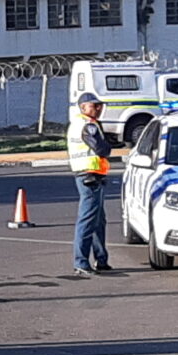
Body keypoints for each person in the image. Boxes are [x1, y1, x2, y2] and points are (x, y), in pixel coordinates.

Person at [70, 91, 114, 276]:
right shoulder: (87, 125)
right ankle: (81, 262)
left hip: (91, 174)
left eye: (100, 105)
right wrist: (108, 146)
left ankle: (101, 259)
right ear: (83, 107)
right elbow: (101, 149)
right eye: (94, 106)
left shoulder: (83, 123)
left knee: (98, 220)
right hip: (90, 175)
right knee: (88, 220)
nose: (98, 109)